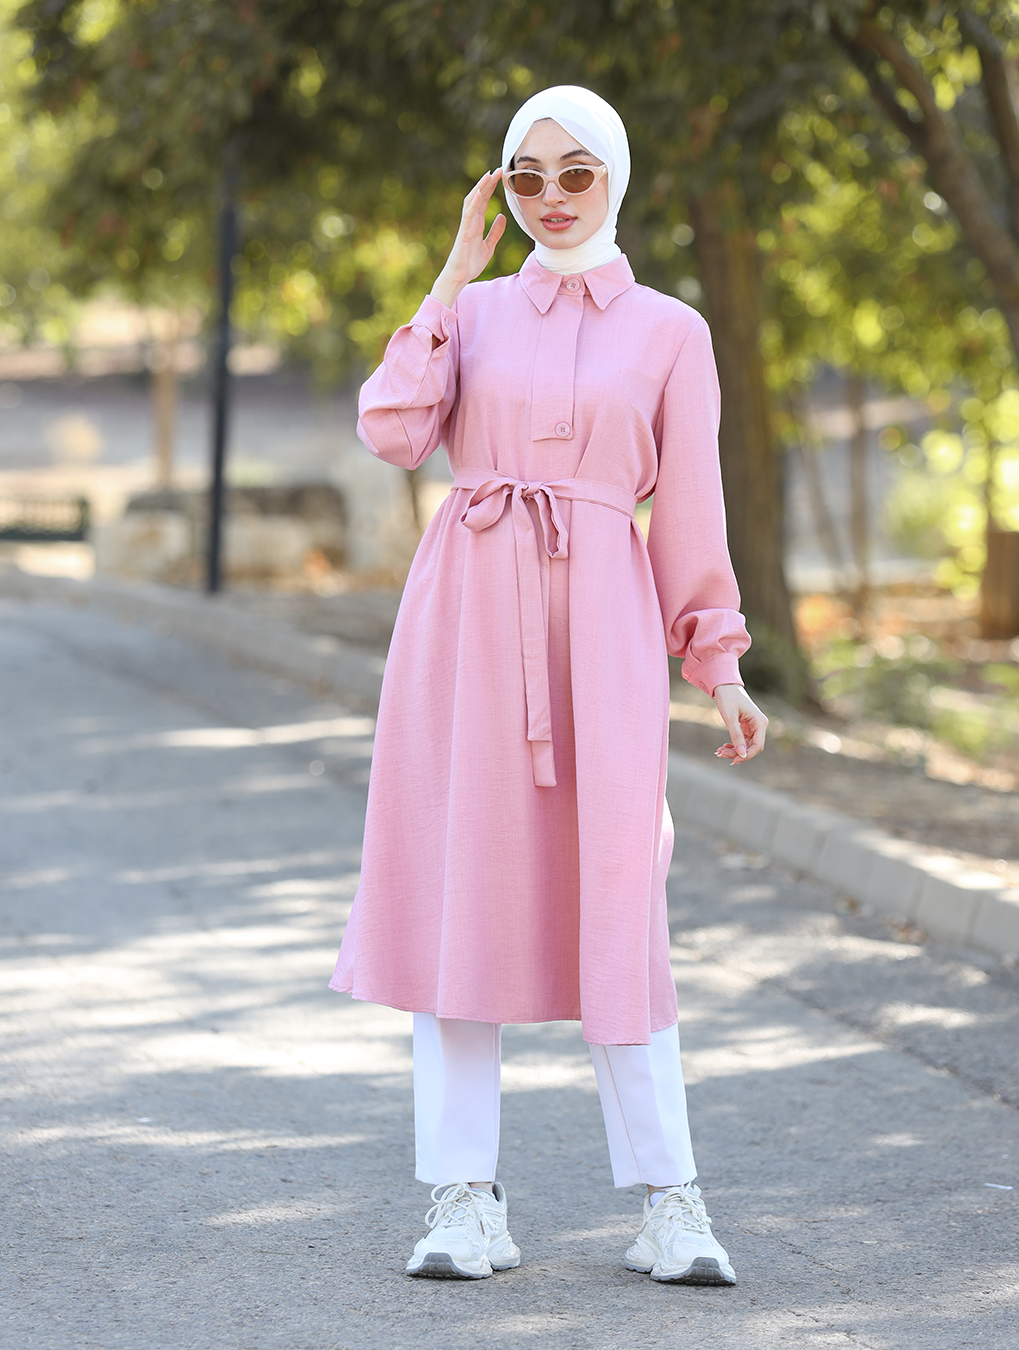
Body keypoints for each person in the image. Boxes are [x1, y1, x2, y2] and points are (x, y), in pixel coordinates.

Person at [330, 85, 768, 1285]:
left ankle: (671, 1202)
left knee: (622, 905)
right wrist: (448, 277)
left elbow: (691, 512)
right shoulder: (470, 314)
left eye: (577, 173)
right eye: (527, 177)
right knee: (458, 898)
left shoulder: (672, 331)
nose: (553, 197)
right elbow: (392, 431)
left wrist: (718, 664)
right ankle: (463, 1197)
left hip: (604, 635)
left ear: (616, 178)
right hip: (465, 629)